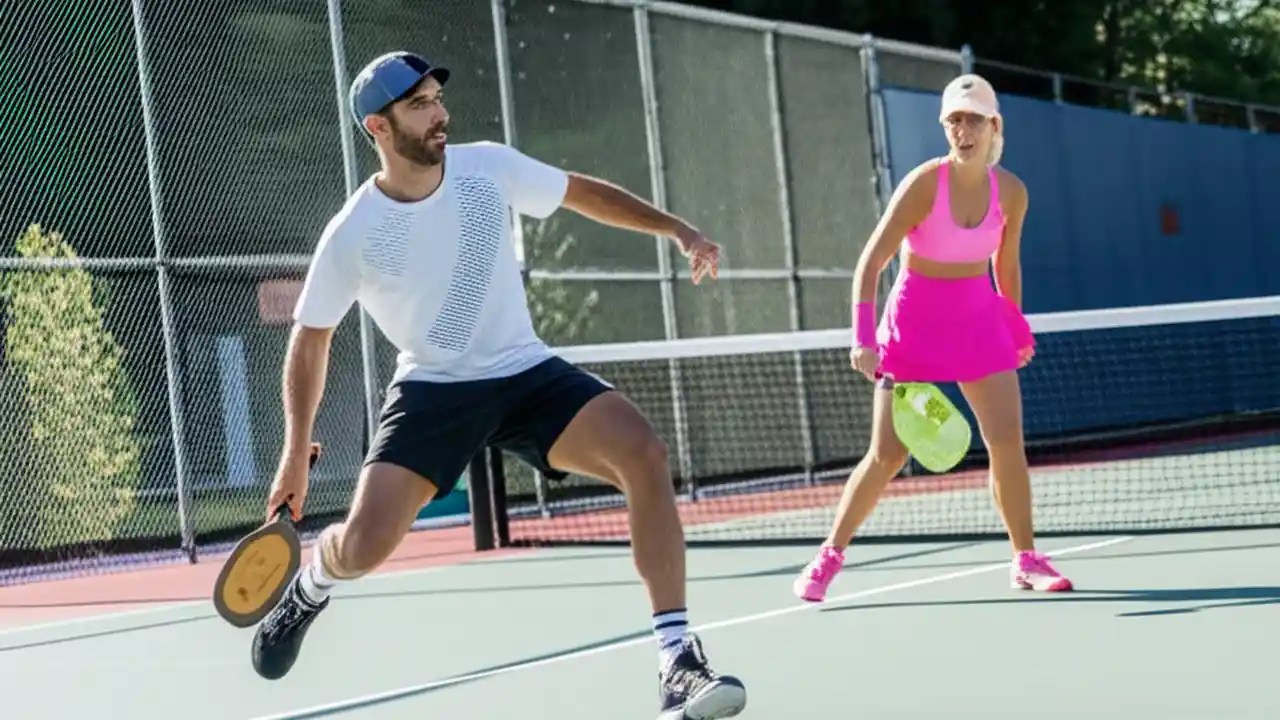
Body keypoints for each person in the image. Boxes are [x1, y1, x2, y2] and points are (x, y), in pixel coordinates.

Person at [250, 51, 747, 720]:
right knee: (363, 547)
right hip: (433, 390)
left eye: (436, 98)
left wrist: (678, 229)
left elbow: (579, 192)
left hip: (525, 372)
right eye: (419, 104)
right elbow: (311, 338)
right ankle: (311, 585)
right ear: (378, 126)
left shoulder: (487, 167)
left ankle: (676, 661)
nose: (439, 114)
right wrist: (294, 451)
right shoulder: (353, 234)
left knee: (644, 454)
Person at [792, 73, 1074, 603]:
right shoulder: (924, 184)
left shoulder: (1012, 192)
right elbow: (871, 263)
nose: (961, 131)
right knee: (887, 455)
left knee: (1007, 443)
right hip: (913, 325)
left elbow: (1005, 266)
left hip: (978, 323)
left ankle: (1026, 557)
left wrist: (1014, 324)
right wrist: (862, 338)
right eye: (953, 121)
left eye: (971, 120)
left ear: (994, 126)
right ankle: (829, 555)